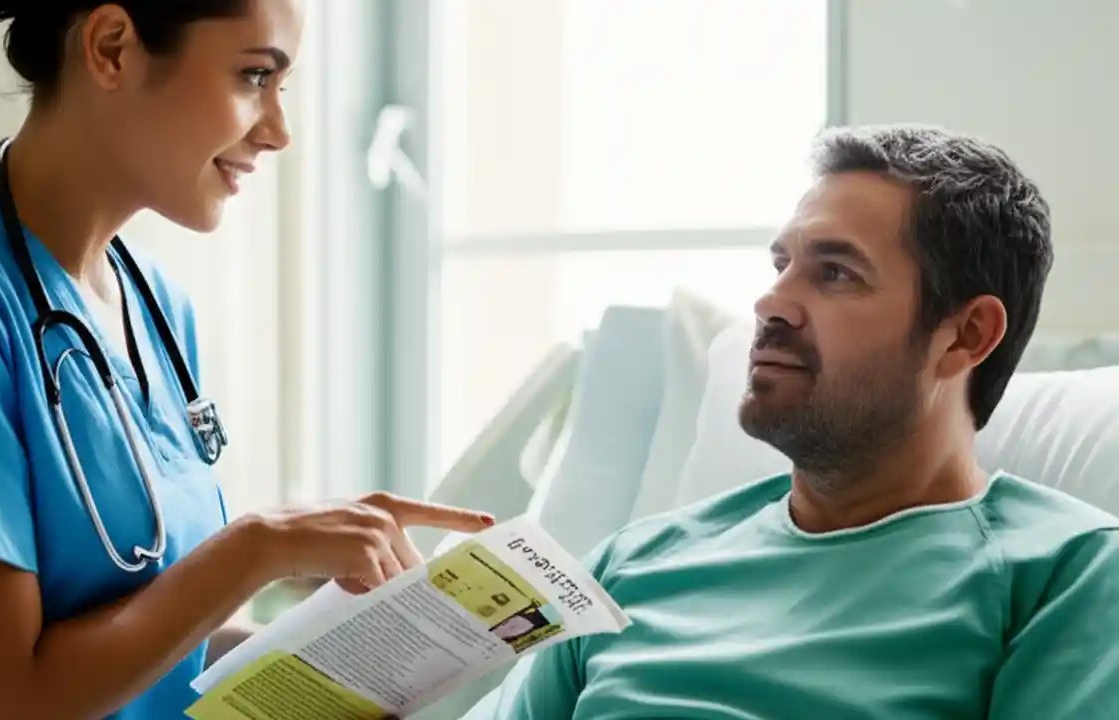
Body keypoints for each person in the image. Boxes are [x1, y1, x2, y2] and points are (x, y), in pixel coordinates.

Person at [0, 2, 493, 718]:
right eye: (253, 76)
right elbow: (5, 700)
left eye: (282, 86)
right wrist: (258, 548)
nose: (278, 131)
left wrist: (348, 662)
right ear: (113, 48)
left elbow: (146, 647)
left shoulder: (154, 306)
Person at [469, 126, 1119, 719]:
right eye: (783, 265)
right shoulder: (629, 564)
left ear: (966, 335)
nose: (772, 302)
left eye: (835, 273)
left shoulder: (1069, 575)